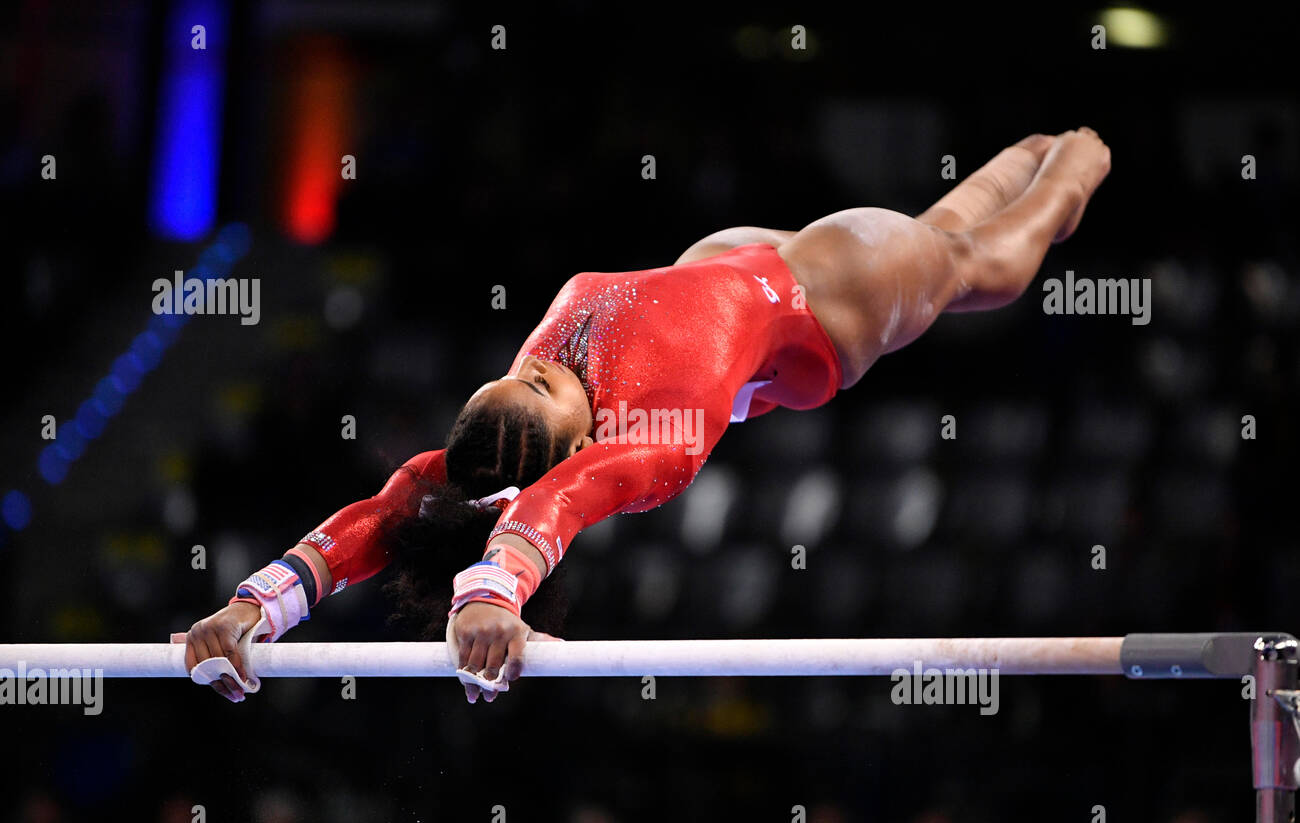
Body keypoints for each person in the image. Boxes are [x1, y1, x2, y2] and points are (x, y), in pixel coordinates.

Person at [184, 129, 1111, 705]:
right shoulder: (645, 446)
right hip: (828, 298)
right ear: (582, 440)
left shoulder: (522, 424)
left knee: (957, 247)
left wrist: (253, 603)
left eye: (519, 373)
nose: (539, 361)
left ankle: (1054, 152)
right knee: (977, 263)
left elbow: (393, 508)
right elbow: (568, 500)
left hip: (729, 277)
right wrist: (491, 591)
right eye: (542, 383)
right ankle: (1078, 156)